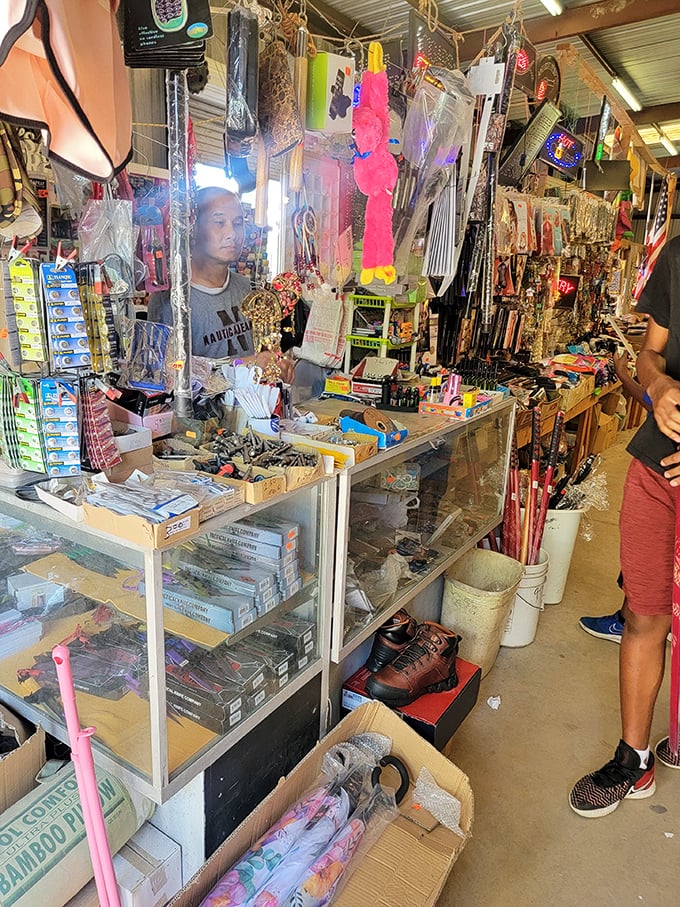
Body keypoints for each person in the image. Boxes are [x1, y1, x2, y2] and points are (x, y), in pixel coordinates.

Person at [570, 236, 680, 819]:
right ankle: (633, 758)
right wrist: (658, 387)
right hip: (657, 467)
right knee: (643, 613)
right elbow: (650, 355)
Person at [148, 186, 293, 382]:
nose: (232, 233)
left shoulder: (247, 289)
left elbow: (262, 353)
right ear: (193, 228)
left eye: (238, 223)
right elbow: (167, 372)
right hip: (200, 413)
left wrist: (275, 364)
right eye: (219, 222)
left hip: (250, 410)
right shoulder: (169, 300)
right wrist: (243, 364)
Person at [579, 351, 651, 644]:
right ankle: (649, 619)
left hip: (659, 470)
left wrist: (624, 375)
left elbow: (654, 402)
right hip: (659, 466)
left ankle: (629, 621)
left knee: (645, 548)